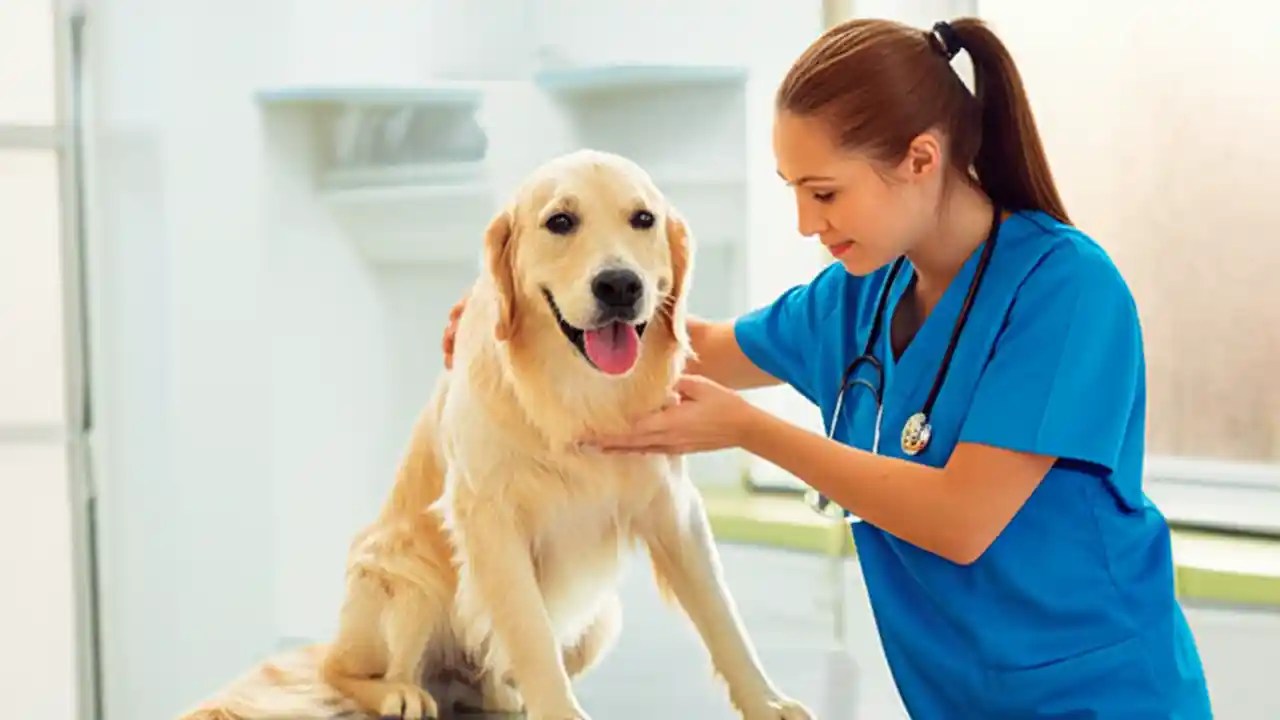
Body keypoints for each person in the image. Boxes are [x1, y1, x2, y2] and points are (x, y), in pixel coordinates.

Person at [442, 16, 1212, 719]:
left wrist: (748, 430)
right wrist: (515, 315)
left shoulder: (1066, 292)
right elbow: (690, 343)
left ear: (920, 160)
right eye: (794, 193)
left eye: (825, 193)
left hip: (1109, 698)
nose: (808, 223)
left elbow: (960, 521)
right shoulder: (859, 297)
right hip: (957, 700)